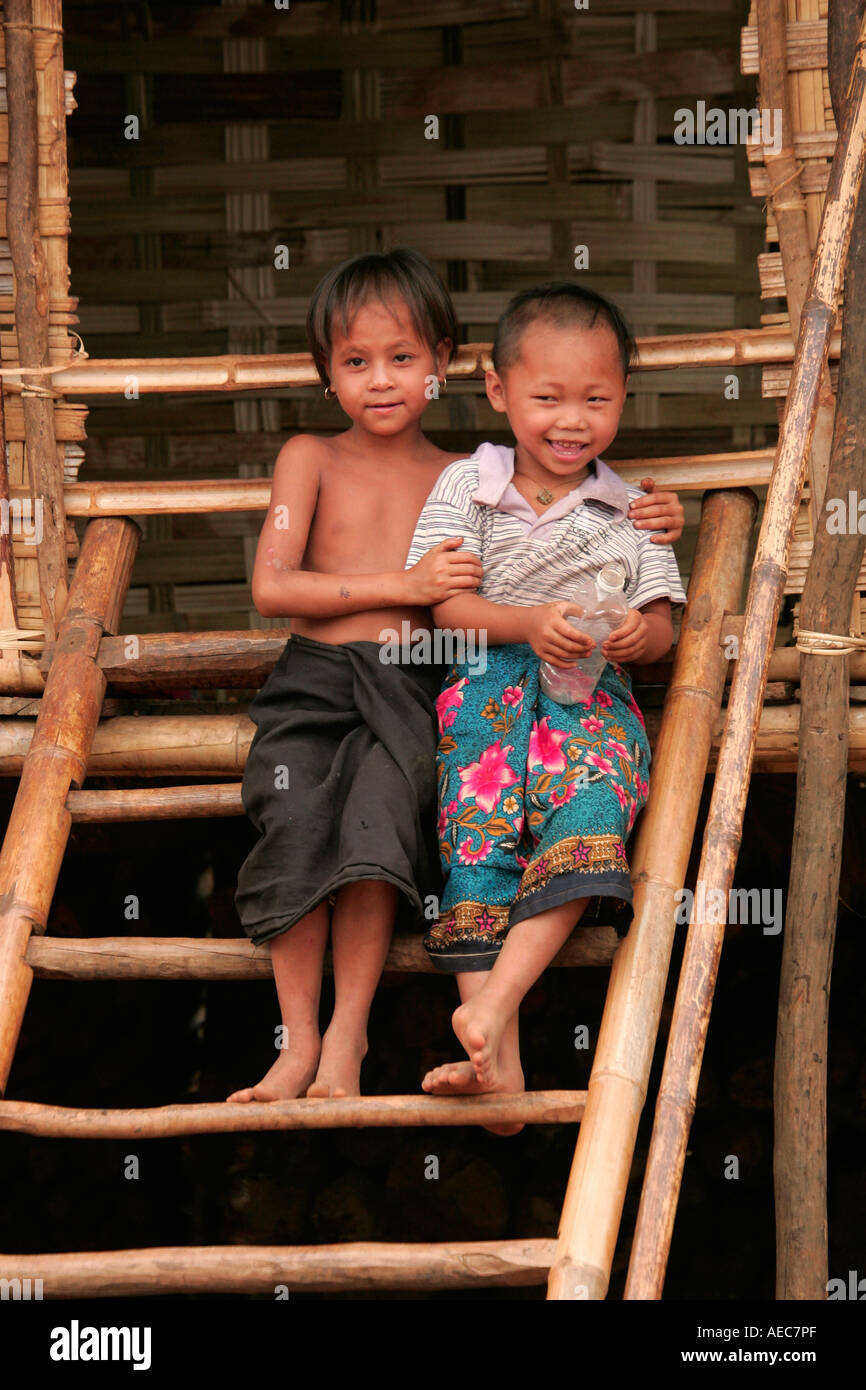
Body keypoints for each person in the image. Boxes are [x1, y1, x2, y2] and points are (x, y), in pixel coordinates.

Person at [229, 252, 685, 1103]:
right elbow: (271, 585)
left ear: (443, 364)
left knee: (378, 835)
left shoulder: (464, 475)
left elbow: (629, 574)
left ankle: (348, 1043)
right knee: (292, 821)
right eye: (355, 362)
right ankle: (298, 1044)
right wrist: (403, 587)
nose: (380, 381)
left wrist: (656, 529)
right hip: (327, 676)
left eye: (402, 359)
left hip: (410, 682)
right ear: (324, 373)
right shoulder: (325, 458)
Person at [406, 283, 687, 1129]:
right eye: (548, 398)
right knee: (476, 839)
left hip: (591, 700)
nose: (573, 421)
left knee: (593, 814)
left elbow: (664, 623)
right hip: (485, 693)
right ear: (498, 391)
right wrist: (527, 622)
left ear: (623, 398)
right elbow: (441, 606)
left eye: (596, 400)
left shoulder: (633, 511)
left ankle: (492, 1011)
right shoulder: (467, 485)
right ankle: (503, 1065)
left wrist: (640, 638)